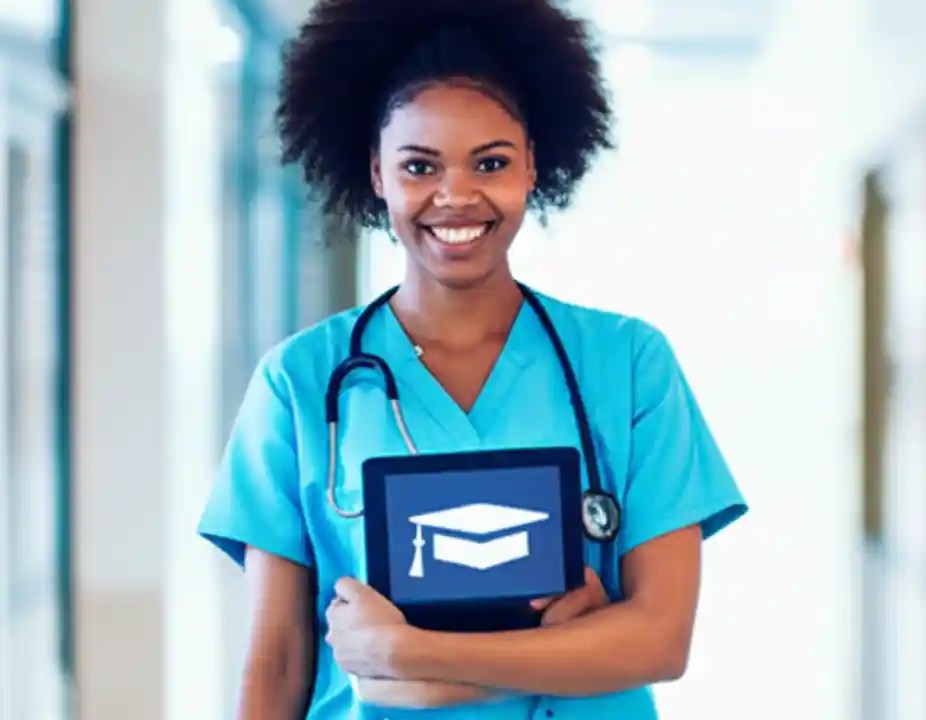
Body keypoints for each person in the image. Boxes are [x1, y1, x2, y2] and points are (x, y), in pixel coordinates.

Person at [196, 0, 748, 718]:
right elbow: (277, 660)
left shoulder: (628, 364)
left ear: (532, 168)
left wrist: (407, 658)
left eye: (490, 162)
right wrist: (564, 653)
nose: (456, 195)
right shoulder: (301, 382)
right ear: (376, 174)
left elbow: (659, 640)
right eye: (419, 165)